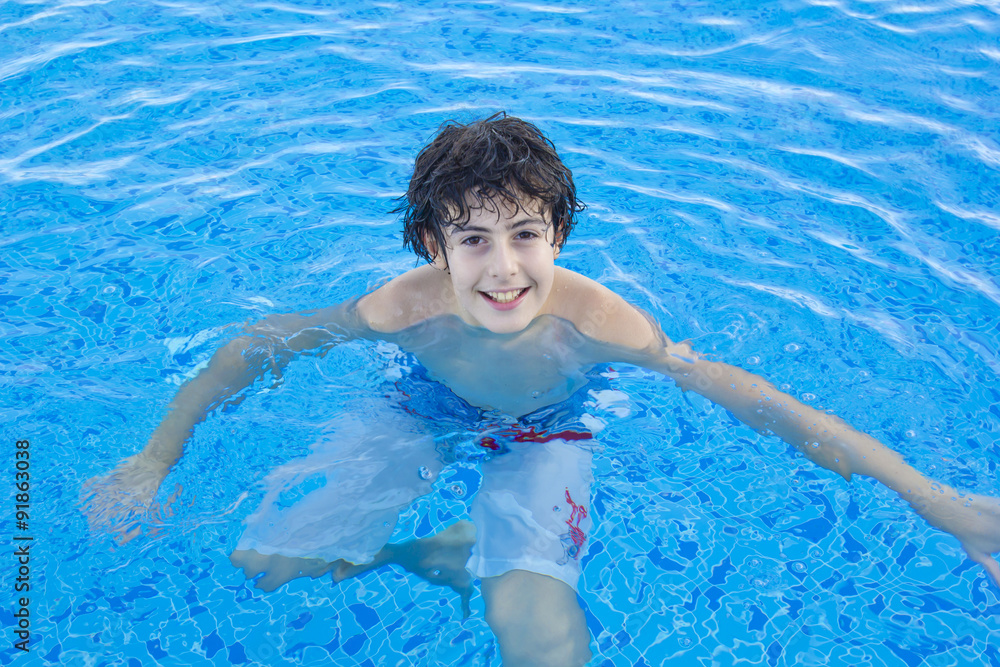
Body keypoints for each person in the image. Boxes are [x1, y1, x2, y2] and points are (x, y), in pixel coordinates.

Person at [84, 113, 1000, 667]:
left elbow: (762, 401)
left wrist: (940, 504)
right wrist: (153, 458)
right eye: (472, 239)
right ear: (433, 248)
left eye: (525, 233)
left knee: (540, 637)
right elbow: (259, 346)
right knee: (266, 564)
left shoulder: (599, 322)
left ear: (558, 233)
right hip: (422, 408)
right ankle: (438, 549)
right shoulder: (404, 310)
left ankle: (479, 552)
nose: (504, 266)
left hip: (548, 432)